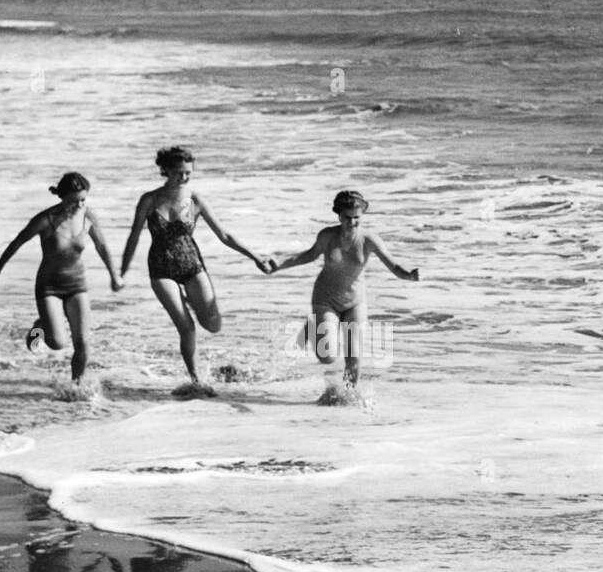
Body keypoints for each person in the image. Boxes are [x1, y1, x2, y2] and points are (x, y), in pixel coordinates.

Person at [120, 146, 272, 394]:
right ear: (165, 170)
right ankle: (196, 379)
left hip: (192, 264)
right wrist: (121, 273)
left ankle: (192, 301)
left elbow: (224, 235)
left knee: (213, 325)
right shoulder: (149, 199)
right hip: (161, 268)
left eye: (188, 172)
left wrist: (254, 256)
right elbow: (133, 237)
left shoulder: (195, 200)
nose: (184, 177)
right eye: (178, 172)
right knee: (187, 327)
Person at [268, 189, 418, 393]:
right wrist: (279, 265)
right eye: (347, 218)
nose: (352, 222)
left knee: (354, 356)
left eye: (357, 218)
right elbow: (309, 255)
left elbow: (393, 265)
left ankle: (347, 396)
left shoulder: (369, 240)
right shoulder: (328, 235)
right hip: (326, 299)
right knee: (327, 355)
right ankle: (312, 326)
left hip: (355, 301)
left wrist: (408, 275)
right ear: (338, 215)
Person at [0, 172, 122, 385]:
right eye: (74, 200)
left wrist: (114, 275)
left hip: (77, 285)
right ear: (62, 196)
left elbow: (102, 246)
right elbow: (17, 242)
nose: (79, 204)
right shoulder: (45, 220)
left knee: (83, 342)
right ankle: (39, 326)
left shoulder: (87, 216)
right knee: (58, 343)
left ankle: (77, 386)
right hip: (49, 287)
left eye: (83, 199)